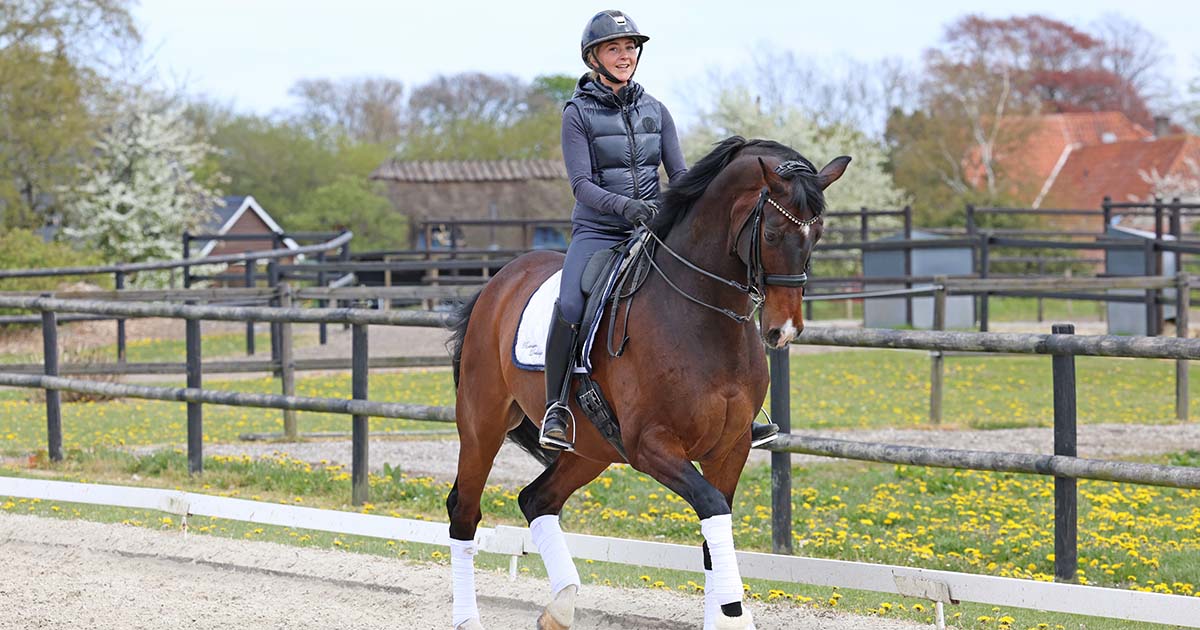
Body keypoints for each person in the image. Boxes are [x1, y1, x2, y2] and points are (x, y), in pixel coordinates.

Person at [539, 9, 778, 451]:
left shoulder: (656, 110)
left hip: (653, 228)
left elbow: (680, 175)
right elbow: (582, 185)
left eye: (630, 47)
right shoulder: (577, 113)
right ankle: (556, 408)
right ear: (593, 58)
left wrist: (685, 207)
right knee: (570, 303)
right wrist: (627, 207)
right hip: (599, 231)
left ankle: (743, 408)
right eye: (614, 48)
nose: (625, 55)